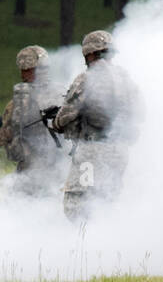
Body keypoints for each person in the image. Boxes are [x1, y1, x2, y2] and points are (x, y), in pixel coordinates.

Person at [51, 30, 141, 224]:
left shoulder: (87, 78)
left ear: (90, 53)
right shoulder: (126, 79)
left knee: (78, 202)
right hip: (119, 152)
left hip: (91, 153)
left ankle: (85, 245)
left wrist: (56, 122)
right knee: (107, 201)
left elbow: (65, 116)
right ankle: (105, 242)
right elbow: (140, 112)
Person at [0, 45, 62, 190]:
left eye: (26, 70)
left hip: (30, 172)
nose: (23, 75)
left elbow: (3, 137)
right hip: (59, 170)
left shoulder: (18, 101)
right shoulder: (63, 93)